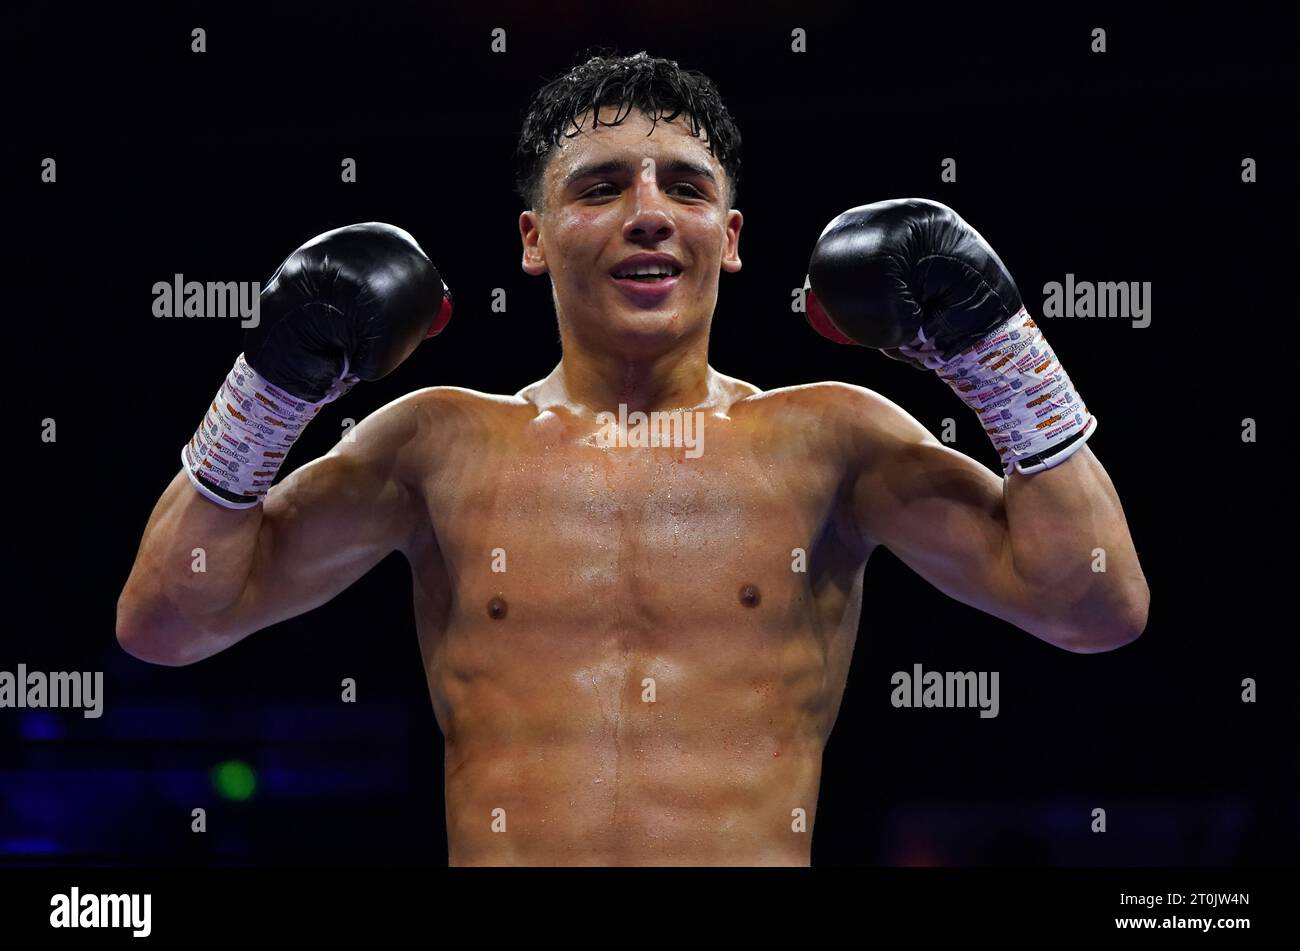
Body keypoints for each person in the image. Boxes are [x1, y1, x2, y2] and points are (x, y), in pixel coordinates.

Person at [116, 51, 1149, 866]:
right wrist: (272, 389)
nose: (648, 212)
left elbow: (1091, 607)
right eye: (601, 185)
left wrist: (997, 353)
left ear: (731, 235)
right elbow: (166, 624)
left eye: (685, 187)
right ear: (534, 237)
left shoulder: (833, 437)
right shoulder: (435, 443)